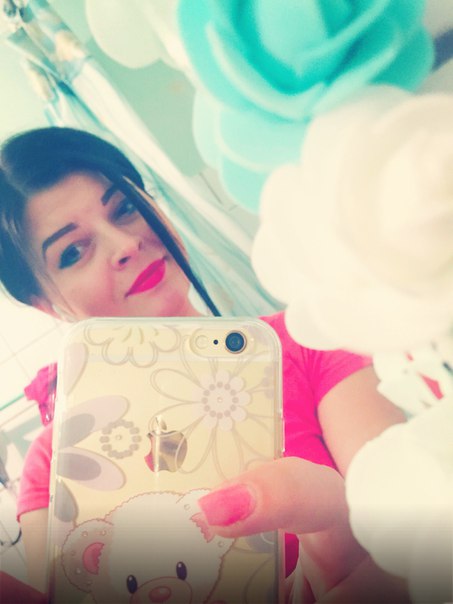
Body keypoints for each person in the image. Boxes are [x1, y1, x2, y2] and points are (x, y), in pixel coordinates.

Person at [0, 127, 408, 603]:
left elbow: (417, 539)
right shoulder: (53, 462)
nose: (125, 244)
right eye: (73, 251)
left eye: (124, 207)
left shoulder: (310, 338)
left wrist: (360, 559)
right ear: (45, 304)